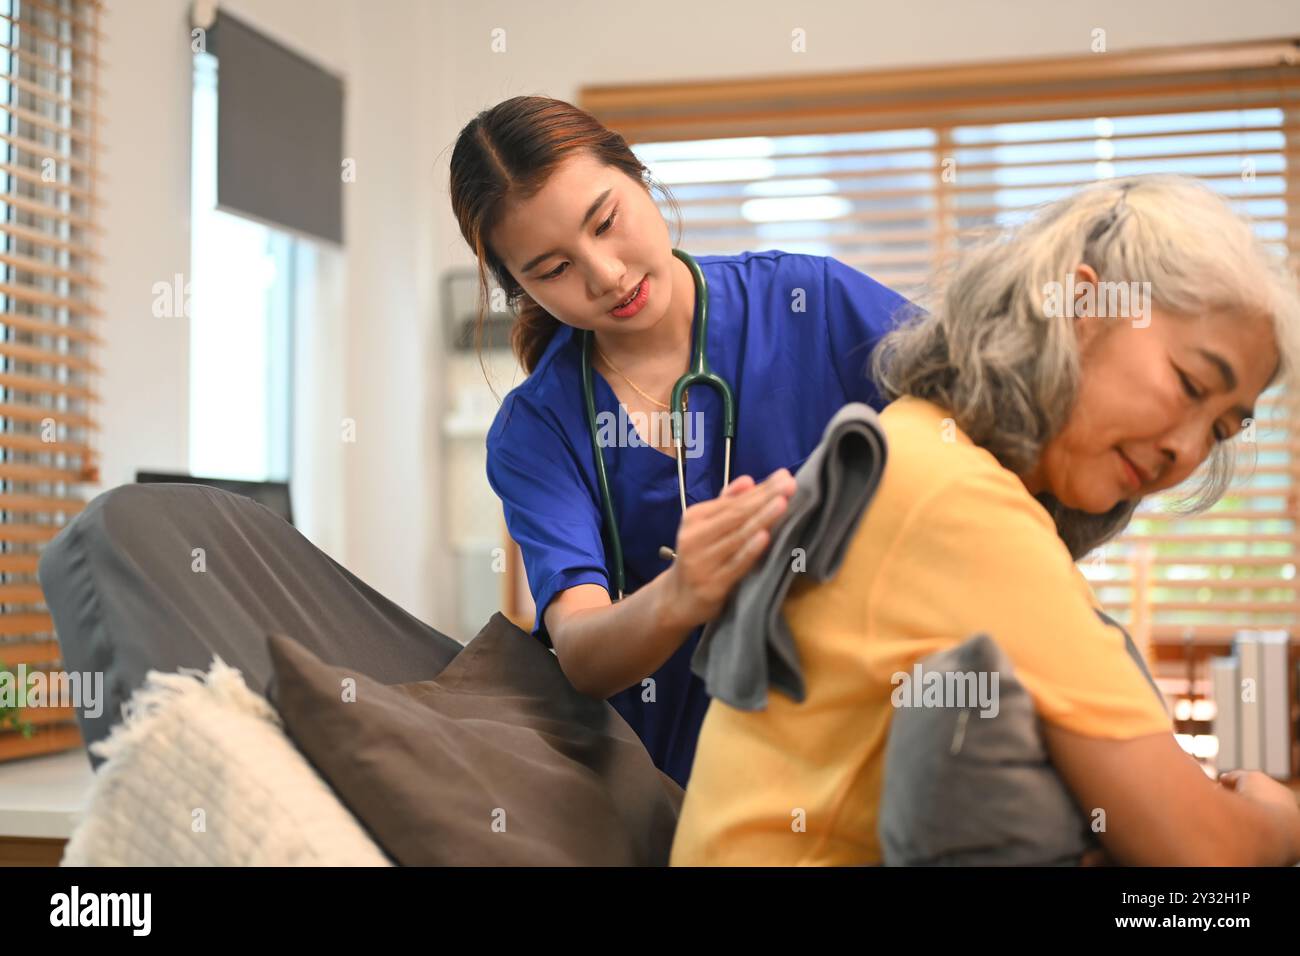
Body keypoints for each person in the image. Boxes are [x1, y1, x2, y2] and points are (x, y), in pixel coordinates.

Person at [671, 174, 1300, 865]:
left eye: (1221, 430)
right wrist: (1280, 822)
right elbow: (1198, 850)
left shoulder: (918, 443)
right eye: (1190, 385)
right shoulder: (956, 501)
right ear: (1080, 305)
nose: (1186, 449)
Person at [448, 95, 913, 787]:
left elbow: (982, 415)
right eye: (552, 270)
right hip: (684, 792)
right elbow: (580, 647)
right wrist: (680, 594)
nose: (604, 275)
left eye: (606, 223)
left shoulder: (809, 303)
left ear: (638, 176)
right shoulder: (537, 431)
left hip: (875, 754)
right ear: (519, 290)